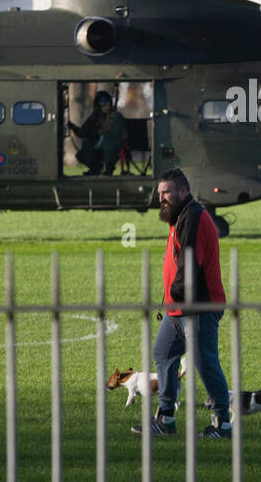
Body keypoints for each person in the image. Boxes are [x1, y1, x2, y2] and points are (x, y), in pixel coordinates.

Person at [132, 168, 232, 438]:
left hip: (197, 308)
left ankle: (223, 423)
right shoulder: (180, 217)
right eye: (159, 192)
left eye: (167, 192)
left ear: (183, 191)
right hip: (178, 310)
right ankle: (166, 419)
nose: (161, 197)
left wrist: (176, 292)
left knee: (205, 363)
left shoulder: (194, 217)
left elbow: (189, 264)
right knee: (163, 353)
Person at [68, 89, 125, 175]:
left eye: (108, 103)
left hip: (112, 147)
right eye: (103, 104)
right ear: (98, 105)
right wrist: (73, 127)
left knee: (107, 144)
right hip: (98, 148)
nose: (106, 106)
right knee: (84, 149)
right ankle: (95, 168)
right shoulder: (94, 118)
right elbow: (84, 132)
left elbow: (117, 135)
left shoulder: (116, 117)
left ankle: (108, 168)